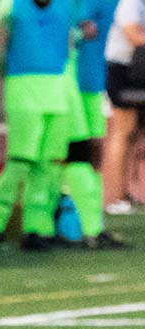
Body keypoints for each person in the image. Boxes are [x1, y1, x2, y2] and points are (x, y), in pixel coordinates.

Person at [0, 0, 77, 251]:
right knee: (19, 161)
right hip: (23, 89)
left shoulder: (66, 5)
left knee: (46, 166)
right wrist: (7, 73)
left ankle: (36, 228)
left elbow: (71, 40)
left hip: (57, 89)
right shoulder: (10, 6)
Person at [61, 0, 129, 247]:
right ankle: (70, 223)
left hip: (94, 82)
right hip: (72, 84)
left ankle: (89, 224)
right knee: (76, 154)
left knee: (91, 154)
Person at [100, 0, 145, 215]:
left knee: (132, 135)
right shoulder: (131, 3)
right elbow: (133, 34)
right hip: (122, 70)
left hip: (137, 70)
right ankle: (113, 197)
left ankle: (125, 193)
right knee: (121, 132)